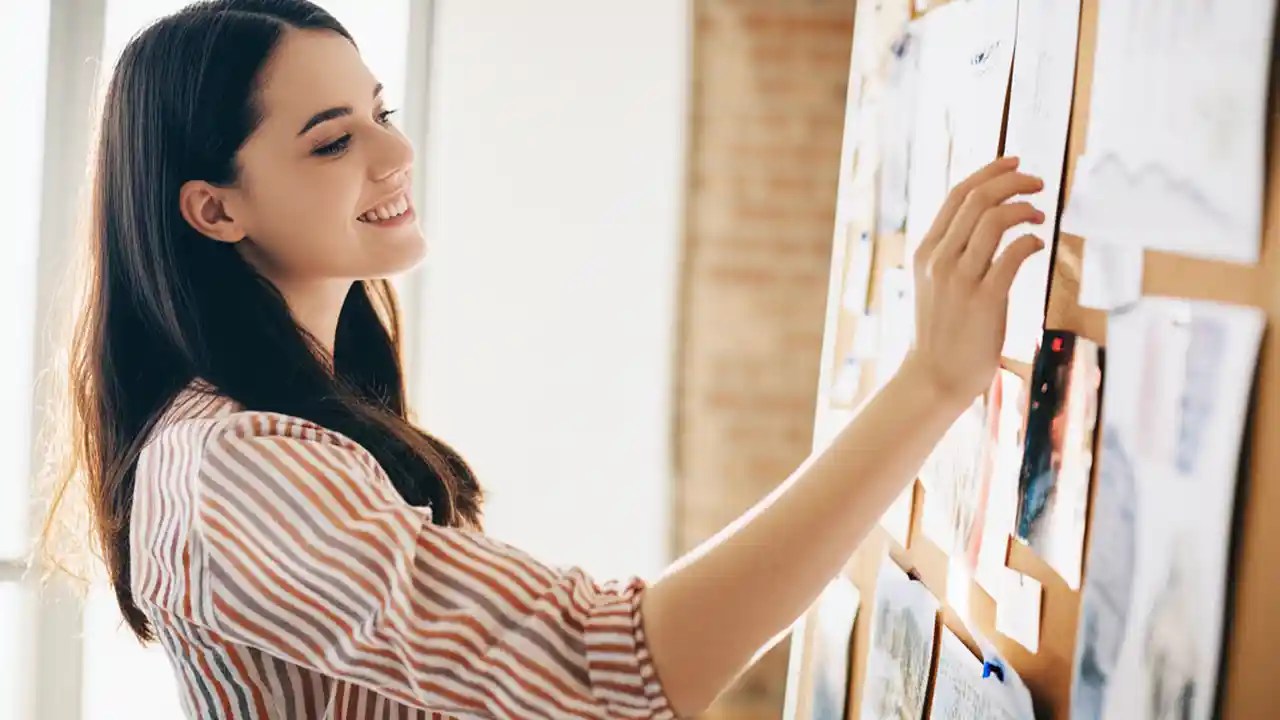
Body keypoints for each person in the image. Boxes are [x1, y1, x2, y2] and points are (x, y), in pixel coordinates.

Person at [38, 1, 1046, 717]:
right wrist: (929, 383)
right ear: (215, 210)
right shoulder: (236, 467)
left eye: (380, 114)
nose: (395, 156)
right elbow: (615, 672)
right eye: (332, 142)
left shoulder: (278, 420)